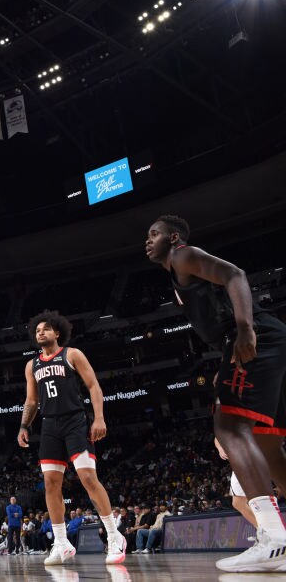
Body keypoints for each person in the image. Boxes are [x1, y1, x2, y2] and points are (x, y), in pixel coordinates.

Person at [146, 214, 286, 572]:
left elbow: (235, 275)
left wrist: (245, 330)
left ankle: (274, 537)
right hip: (270, 339)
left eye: (154, 233)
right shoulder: (176, 272)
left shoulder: (183, 254)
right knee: (268, 443)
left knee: (229, 426)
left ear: (173, 237)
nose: (148, 240)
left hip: (256, 337)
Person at [17, 310, 126, 566]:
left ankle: (114, 535)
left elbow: (93, 386)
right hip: (49, 426)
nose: (40, 332)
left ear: (57, 332)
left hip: (75, 420)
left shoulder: (72, 354)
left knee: (88, 477)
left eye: (45, 329)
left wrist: (99, 418)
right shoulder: (32, 365)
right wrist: (24, 425)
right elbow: (31, 400)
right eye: (37, 330)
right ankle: (62, 543)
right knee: (51, 484)